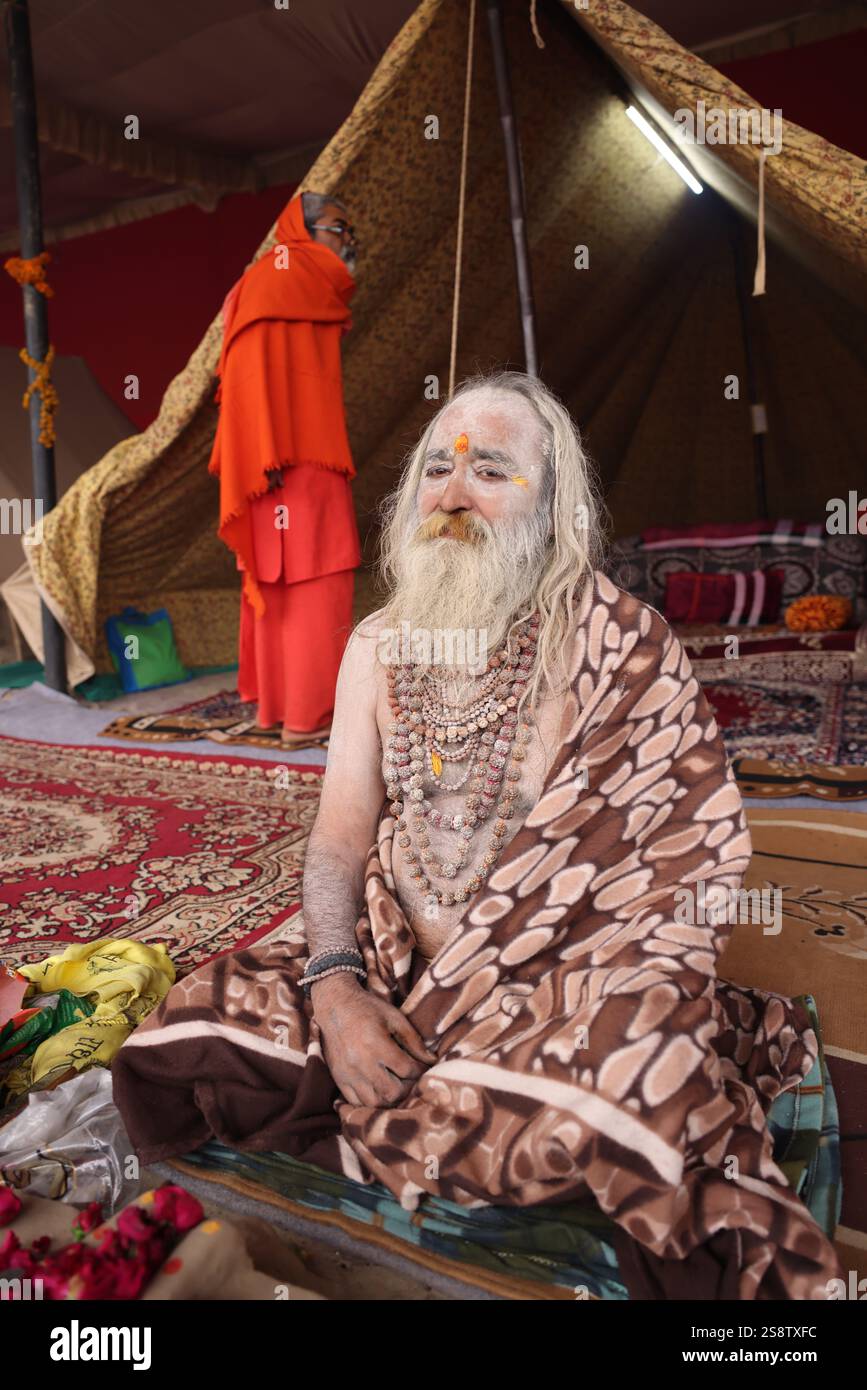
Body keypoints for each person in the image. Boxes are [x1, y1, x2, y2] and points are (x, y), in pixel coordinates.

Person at [115, 371, 842, 1299]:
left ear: (555, 508)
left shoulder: (616, 646)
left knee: (644, 1066)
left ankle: (495, 1107)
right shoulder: (376, 646)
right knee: (182, 1033)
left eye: (490, 471)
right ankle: (464, 1109)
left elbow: (675, 886)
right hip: (388, 970)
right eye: (435, 470)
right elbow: (337, 841)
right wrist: (335, 988)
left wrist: (575, 990)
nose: (451, 494)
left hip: (555, 990)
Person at [208, 191, 361, 740]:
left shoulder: (291, 281)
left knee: (285, 585)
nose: (348, 243)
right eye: (340, 228)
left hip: (280, 460)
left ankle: (281, 711)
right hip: (291, 461)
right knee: (319, 582)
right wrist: (267, 451)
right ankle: (310, 716)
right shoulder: (281, 277)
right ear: (305, 229)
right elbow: (248, 373)